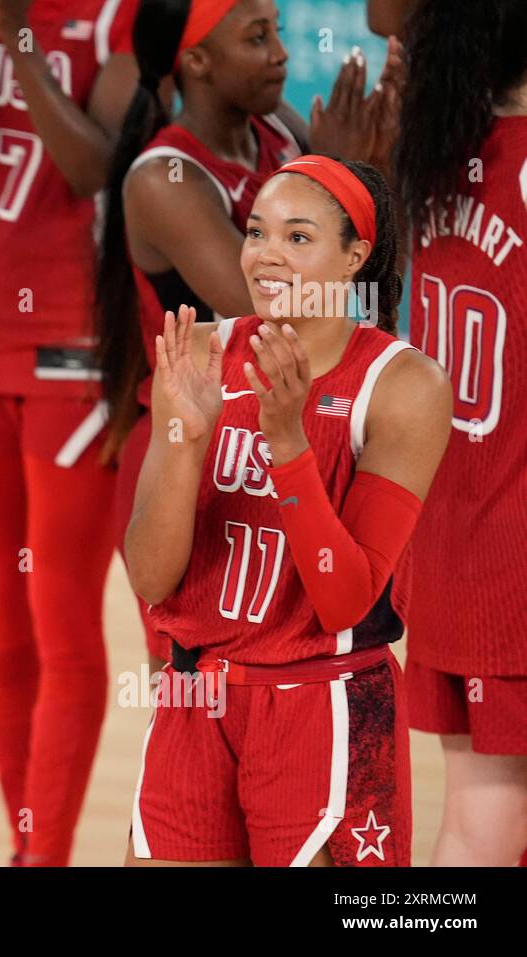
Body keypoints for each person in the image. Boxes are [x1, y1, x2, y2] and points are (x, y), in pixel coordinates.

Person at [124, 156, 451, 866]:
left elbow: (344, 598)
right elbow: (151, 579)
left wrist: (289, 442)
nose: (268, 254)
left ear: (354, 257)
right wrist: (186, 441)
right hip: (195, 697)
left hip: (322, 707)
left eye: (299, 237)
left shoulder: (403, 386)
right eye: (256, 232)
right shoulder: (203, 353)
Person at [96, 0, 396, 671]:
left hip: (282, 432)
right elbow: (274, 319)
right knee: (192, 678)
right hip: (190, 443)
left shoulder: (279, 133)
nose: (281, 55)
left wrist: (374, 164)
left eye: (279, 33)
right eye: (257, 39)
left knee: (291, 662)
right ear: (196, 60)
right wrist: (344, 177)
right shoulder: (164, 176)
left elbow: (356, 288)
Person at [0, 0, 140, 867]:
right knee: (2, 619)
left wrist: (21, 43)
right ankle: (27, 846)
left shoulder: (120, 14)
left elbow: (90, 167)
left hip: (76, 342)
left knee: (64, 620)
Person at [388, 0, 527, 867]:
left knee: (483, 814)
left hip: (446, 543)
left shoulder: (438, 148)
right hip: (509, 554)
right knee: (487, 826)